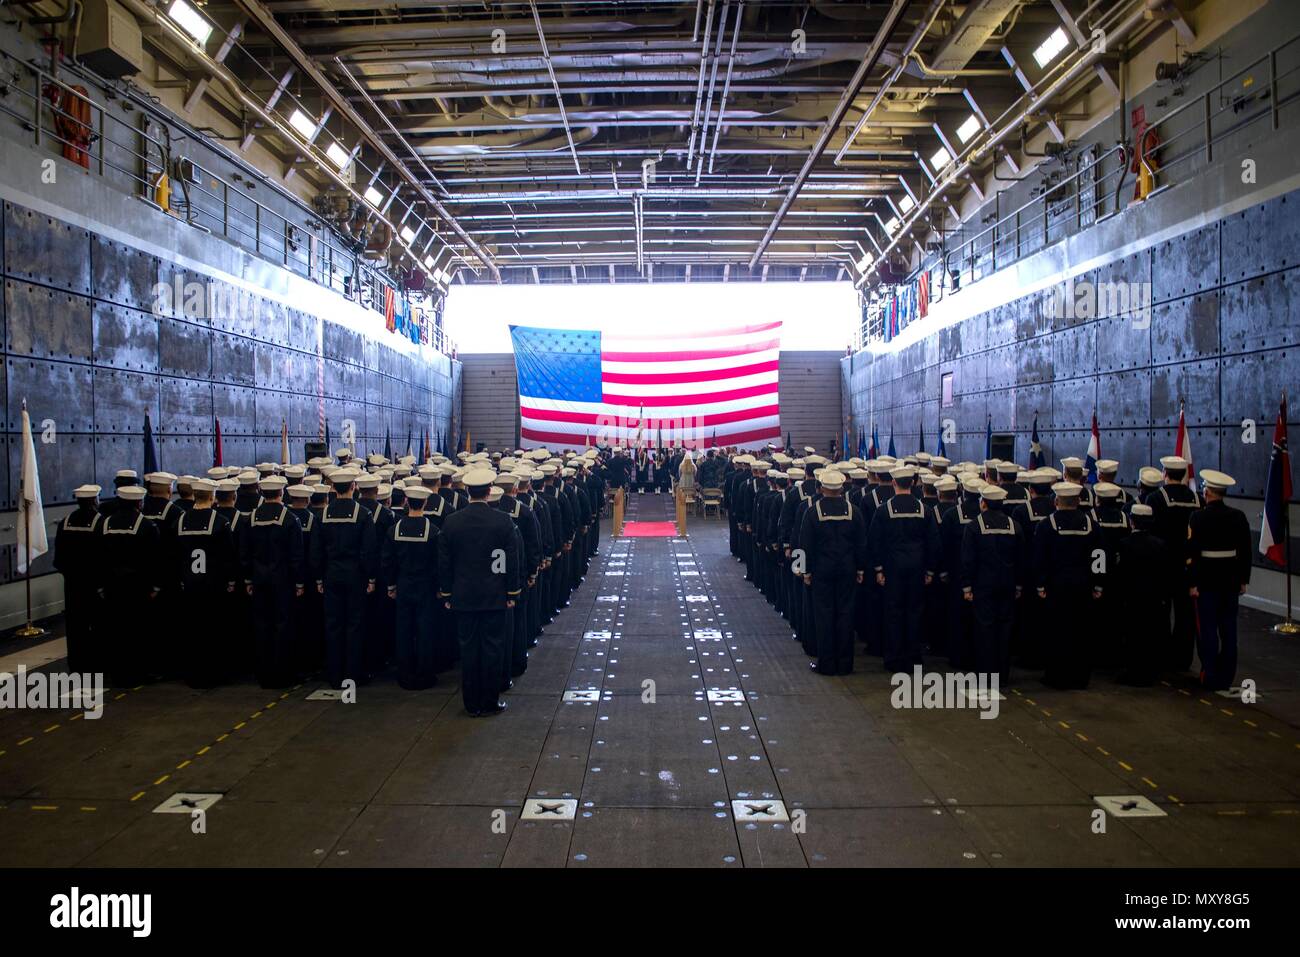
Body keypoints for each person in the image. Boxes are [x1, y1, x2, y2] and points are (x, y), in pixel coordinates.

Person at [437, 468, 521, 717]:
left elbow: (445, 562)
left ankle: (471, 703)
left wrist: (447, 594)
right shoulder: (503, 521)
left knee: (469, 649)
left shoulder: (452, 522)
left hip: (463, 597)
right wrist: (511, 593)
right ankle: (490, 701)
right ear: (488, 491)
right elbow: (509, 561)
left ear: (466, 490)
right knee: (493, 649)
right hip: (494, 596)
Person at [868, 465, 940, 672]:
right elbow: (933, 544)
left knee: (893, 613)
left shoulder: (883, 510)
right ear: (913, 484)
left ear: (893, 483)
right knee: (915, 613)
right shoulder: (924, 511)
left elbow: (875, 542)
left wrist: (879, 569)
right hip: (917, 569)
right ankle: (914, 658)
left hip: (893, 570)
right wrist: (929, 571)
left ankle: (894, 658)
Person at [311, 468, 378, 688]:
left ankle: (334, 674)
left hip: (331, 574)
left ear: (333, 489)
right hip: (355, 575)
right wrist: (371, 578)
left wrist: (319, 578)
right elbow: (368, 550)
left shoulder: (323, 515)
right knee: (355, 625)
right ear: (353, 487)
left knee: (333, 625)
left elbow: (316, 550)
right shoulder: (363, 514)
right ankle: (353, 674)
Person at [1187, 470, 1252, 691]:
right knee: (1228, 629)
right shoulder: (1238, 516)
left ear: (1206, 492)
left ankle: (1210, 674)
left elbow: (1193, 552)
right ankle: (1227, 676)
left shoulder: (1198, 517)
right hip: (1230, 579)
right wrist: (1243, 579)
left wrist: (1193, 583)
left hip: (1206, 580)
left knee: (1207, 629)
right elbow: (1245, 551)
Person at [1034, 483, 1103, 689]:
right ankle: (1080, 676)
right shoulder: (1092, 525)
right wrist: (1098, 584)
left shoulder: (1047, 525)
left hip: (1057, 587)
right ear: (1078, 501)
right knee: (1082, 632)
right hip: (1083, 586)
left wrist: (1040, 584)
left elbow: (1040, 558)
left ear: (1056, 501)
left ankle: (1056, 676)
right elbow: (1099, 556)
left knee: (1057, 632)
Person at [798, 469, 867, 675]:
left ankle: (826, 663)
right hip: (847, 569)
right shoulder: (854, 511)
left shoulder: (812, 512)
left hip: (822, 570)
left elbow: (804, 545)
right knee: (846, 615)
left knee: (824, 616)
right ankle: (845, 664)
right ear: (842, 488)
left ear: (820, 489)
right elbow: (861, 543)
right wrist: (861, 568)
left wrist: (805, 571)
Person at [240, 475, 305, 688]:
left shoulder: (251, 519)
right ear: (282, 493)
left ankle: (264, 674)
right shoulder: (289, 519)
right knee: (283, 627)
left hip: (259, 580)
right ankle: (283, 674)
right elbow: (296, 556)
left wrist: (248, 578)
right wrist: (298, 582)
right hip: (282, 580)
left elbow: (245, 552)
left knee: (262, 626)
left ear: (262, 492)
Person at [175, 479, 238, 687]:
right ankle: (215, 673)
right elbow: (228, 555)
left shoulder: (182, 520)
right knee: (214, 629)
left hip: (190, 583)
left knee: (193, 629)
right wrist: (230, 580)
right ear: (212, 497)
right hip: (213, 583)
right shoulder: (220, 522)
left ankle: (193, 673)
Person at [95, 486, 162, 685]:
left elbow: (97, 558)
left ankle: (117, 672)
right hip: (138, 586)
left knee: (116, 630)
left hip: (112, 585)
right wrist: (156, 586)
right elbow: (154, 560)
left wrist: (100, 585)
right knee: (138, 630)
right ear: (139, 503)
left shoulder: (105, 525)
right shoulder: (147, 526)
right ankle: (137, 672)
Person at [960, 485, 1025, 686]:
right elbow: (1021, 559)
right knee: (1004, 630)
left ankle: (985, 674)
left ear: (983, 503)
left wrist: (967, 586)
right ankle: (1002, 674)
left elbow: (968, 559)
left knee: (984, 629)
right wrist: (1019, 585)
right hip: (1007, 584)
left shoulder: (973, 526)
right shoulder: (1015, 526)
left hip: (983, 586)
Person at [1144, 455, 1202, 670]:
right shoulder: (1197, 499)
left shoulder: (1156, 499)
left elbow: (1151, 533)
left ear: (1165, 474)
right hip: (1188, 565)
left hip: (1164, 564)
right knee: (1185, 615)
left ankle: (1161, 655)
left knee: (1161, 613)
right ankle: (1182, 658)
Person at [382, 486, 442, 690]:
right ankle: (426, 674)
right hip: (426, 585)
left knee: (404, 630)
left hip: (403, 584)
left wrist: (391, 585)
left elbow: (388, 561)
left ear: (407, 502)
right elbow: (438, 563)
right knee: (426, 630)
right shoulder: (433, 531)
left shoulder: (394, 529)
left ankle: (405, 674)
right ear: (425, 503)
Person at [1114, 504, 1173, 685]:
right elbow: (1165, 573)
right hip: (1154, 597)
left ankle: (1134, 672)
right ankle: (1151, 672)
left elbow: (1120, 573)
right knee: (1151, 634)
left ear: (1131, 522)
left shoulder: (1124, 545)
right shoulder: (1160, 545)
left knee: (1133, 635)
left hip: (1132, 597)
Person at [53, 484, 104, 674]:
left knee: (75, 626)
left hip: (72, 583)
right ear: (94, 500)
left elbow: (58, 560)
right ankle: (96, 663)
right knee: (97, 624)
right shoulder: (101, 523)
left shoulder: (65, 523)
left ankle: (76, 664)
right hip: (95, 583)